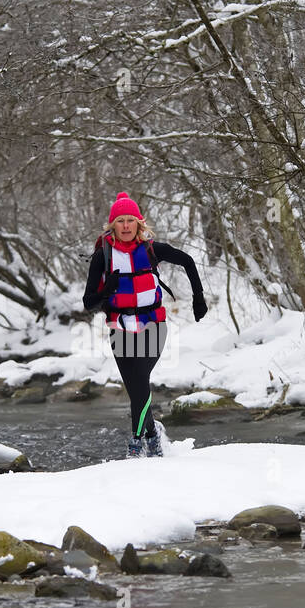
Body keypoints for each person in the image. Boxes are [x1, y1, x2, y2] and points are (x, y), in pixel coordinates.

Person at [82, 192, 207, 458]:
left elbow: (187, 260)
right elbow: (89, 303)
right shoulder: (102, 257)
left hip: (153, 324)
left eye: (130, 220)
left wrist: (198, 298)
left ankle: (136, 443)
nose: (126, 226)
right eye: (120, 221)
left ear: (139, 224)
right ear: (112, 225)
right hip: (120, 328)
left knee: (140, 383)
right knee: (138, 390)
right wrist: (108, 292)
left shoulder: (151, 250)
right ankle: (153, 433)